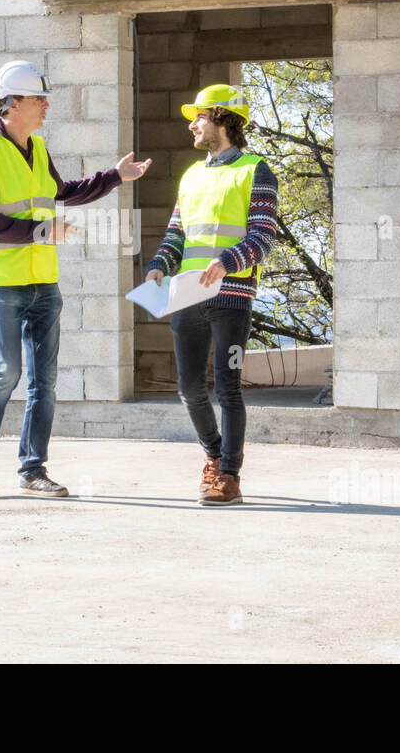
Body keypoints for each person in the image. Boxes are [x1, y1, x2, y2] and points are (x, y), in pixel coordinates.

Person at [0, 60, 151, 497]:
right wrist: (42, 231)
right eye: (38, 98)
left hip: (44, 282)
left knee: (44, 381)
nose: (46, 105)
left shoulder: (39, 149)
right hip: (3, 282)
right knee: (6, 371)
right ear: (12, 104)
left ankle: (32, 470)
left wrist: (114, 177)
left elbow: (61, 192)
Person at [143, 84, 278, 506]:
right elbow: (177, 234)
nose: (192, 124)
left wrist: (230, 260)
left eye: (199, 116)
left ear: (222, 119)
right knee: (188, 389)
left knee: (229, 389)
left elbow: (263, 235)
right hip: (187, 296)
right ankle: (214, 456)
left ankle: (229, 476)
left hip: (232, 296)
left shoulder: (257, 170)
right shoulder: (192, 175)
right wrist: (159, 265)